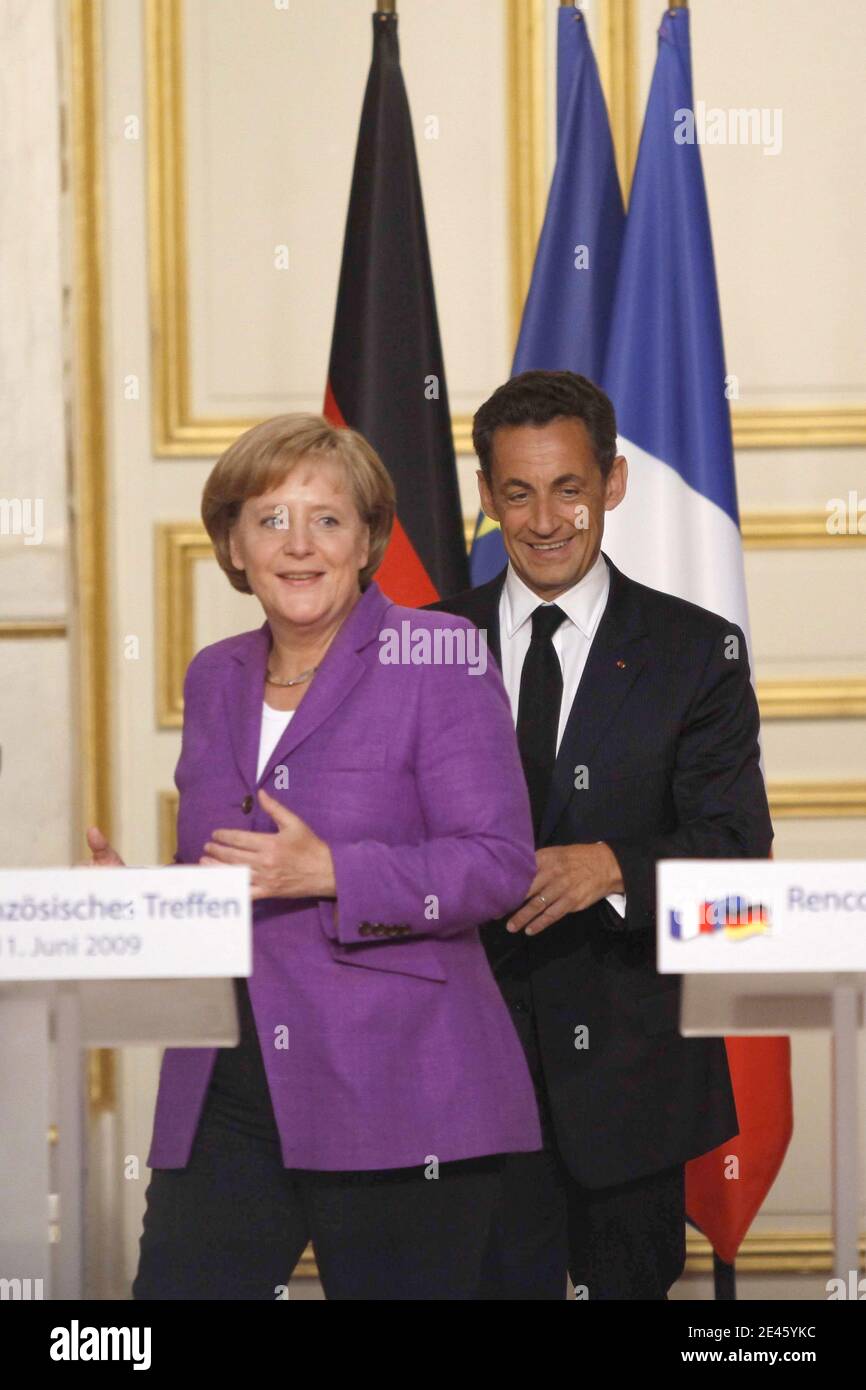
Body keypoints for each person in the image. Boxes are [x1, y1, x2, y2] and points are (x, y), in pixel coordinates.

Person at [87, 412, 541, 1300]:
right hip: (231, 1074)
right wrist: (139, 906)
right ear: (233, 542)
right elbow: (229, 867)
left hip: (400, 1083)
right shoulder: (217, 674)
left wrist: (333, 872)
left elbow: (497, 862)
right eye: (270, 519)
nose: (299, 545)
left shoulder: (439, 655)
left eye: (327, 520)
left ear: (367, 540)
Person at [428, 370, 774, 1300]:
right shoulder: (419, 646)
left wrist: (611, 866)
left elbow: (738, 853)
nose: (544, 519)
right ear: (487, 496)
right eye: (517, 492)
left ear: (612, 483)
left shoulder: (698, 652)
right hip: (457, 1073)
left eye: (570, 488)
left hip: (631, 1086)